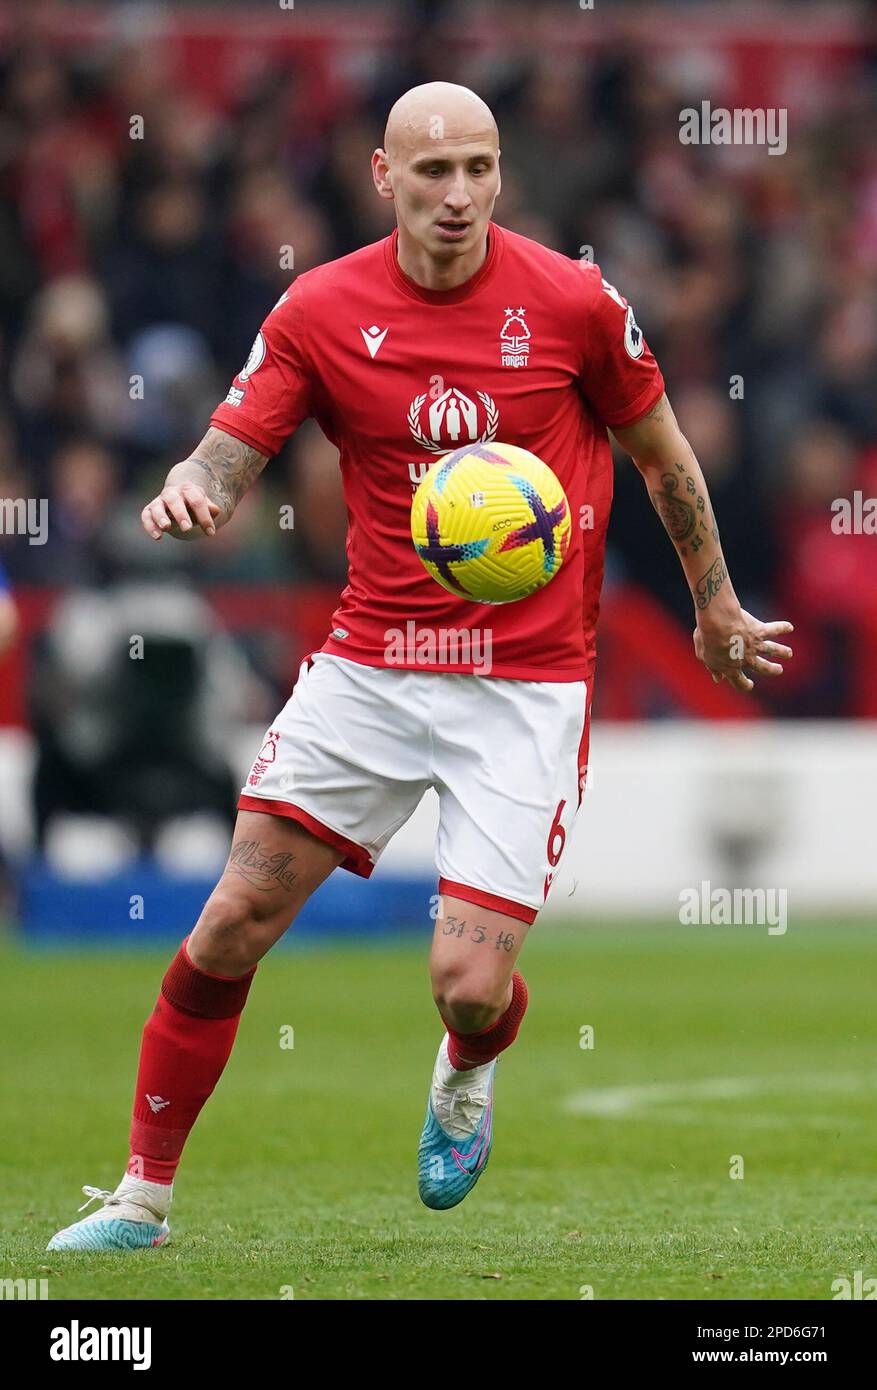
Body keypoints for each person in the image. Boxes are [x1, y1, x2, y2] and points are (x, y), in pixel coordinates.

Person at [48, 83, 793, 1250]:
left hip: (527, 686)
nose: (459, 195)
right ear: (383, 177)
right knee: (231, 917)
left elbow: (662, 452)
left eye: (480, 169)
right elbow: (232, 445)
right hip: (370, 672)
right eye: (434, 171)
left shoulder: (573, 301)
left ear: (502, 175)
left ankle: (464, 1068)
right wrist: (196, 487)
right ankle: (140, 1197)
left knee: (468, 982)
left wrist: (714, 604)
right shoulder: (321, 308)